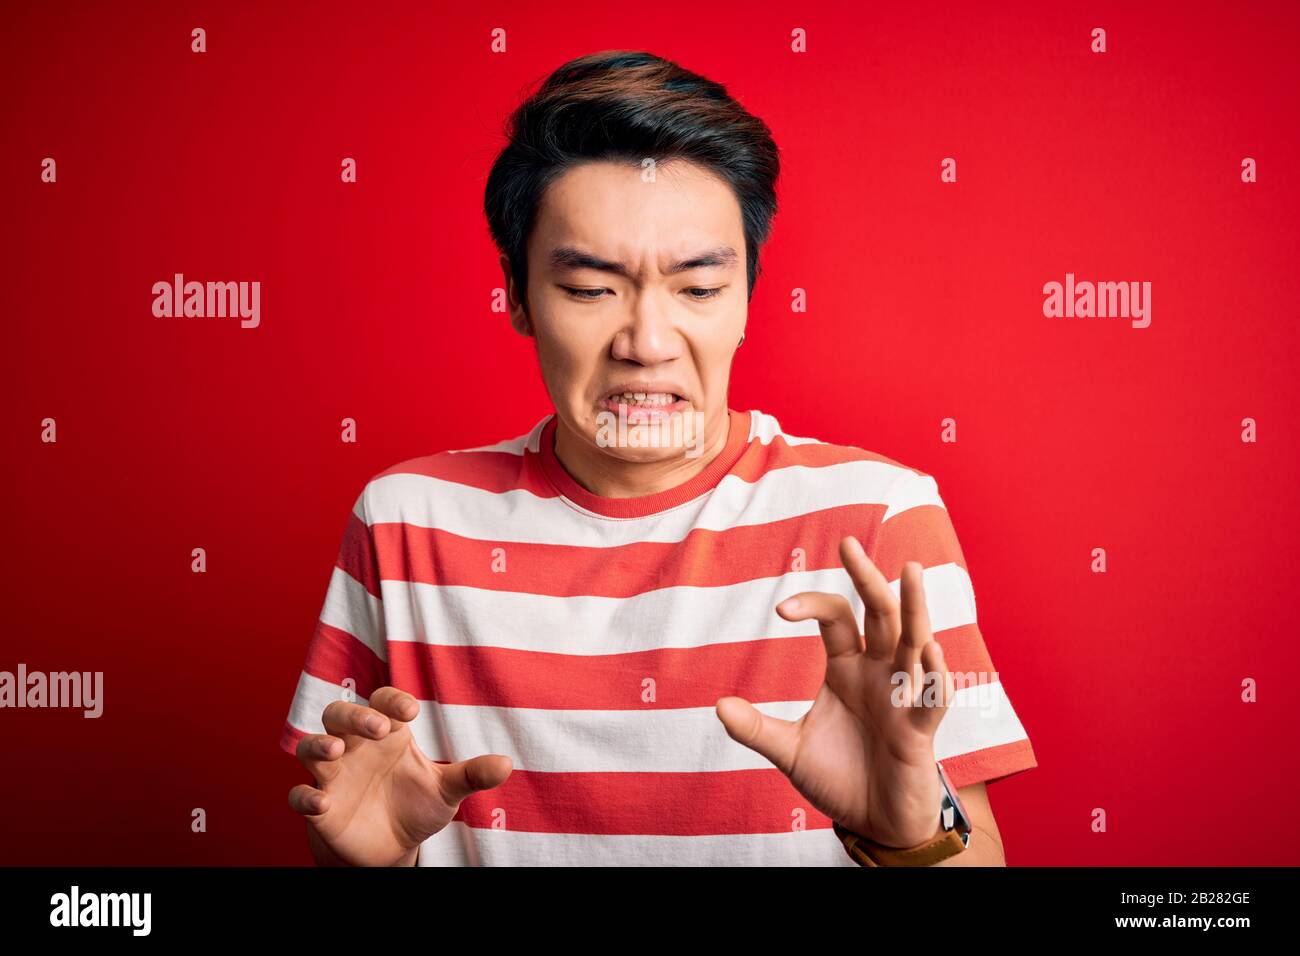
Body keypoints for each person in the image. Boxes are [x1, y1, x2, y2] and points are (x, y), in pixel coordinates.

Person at [279, 49, 1037, 866]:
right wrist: (376, 860)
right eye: (589, 288)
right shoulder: (404, 520)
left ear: (747, 297)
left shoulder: (878, 519)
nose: (646, 343)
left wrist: (909, 830)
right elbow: (348, 814)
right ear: (518, 297)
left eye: (699, 289)